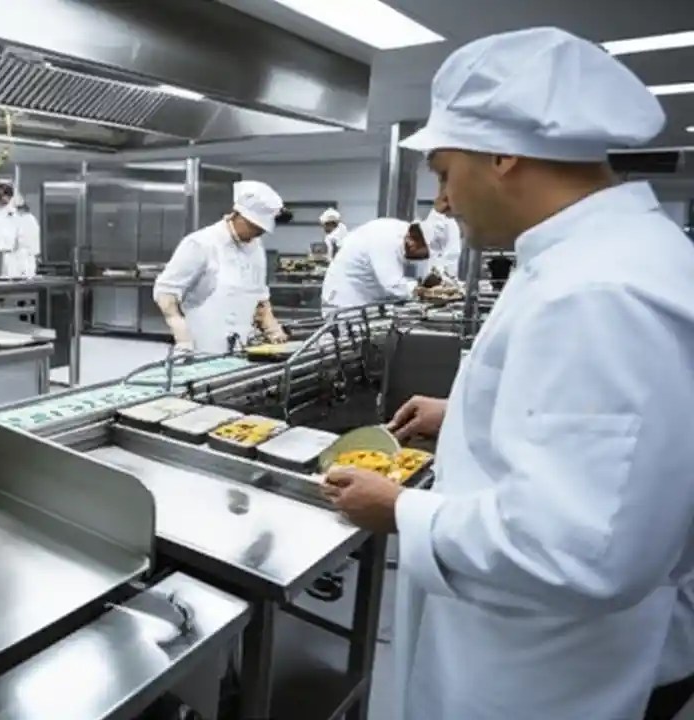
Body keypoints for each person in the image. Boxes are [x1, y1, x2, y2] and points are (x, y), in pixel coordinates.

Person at [320, 27, 694, 720]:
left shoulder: (599, 291)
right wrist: (463, 414)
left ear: (503, 155)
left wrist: (401, 509)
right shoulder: (598, 256)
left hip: (540, 678)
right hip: (546, 651)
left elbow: (576, 549)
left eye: (442, 173)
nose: (448, 202)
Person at [153, 181, 289, 353]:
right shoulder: (200, 243)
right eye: (254, 228)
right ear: (238, 215)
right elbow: (166, 293)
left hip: (243, 346)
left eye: (261, 231)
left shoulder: (256, 247)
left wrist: (272, 328)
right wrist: (182, 335)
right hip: (203, 346)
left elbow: (259, 295)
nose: (256, 234)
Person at [319, 218, 433, 313]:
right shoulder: (386, 240)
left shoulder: (407, 233)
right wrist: (425, 292)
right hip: (346, 300)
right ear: (413, 244)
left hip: (368, 298)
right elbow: (393, 284)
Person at [420, 197, 464, 279]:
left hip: (442, 271)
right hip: (438, 271)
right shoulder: (440, 219)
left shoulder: (449, 221)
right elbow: (429, 238)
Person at [12, 193, 42, 278]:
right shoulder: (32, 220)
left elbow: (19, 239)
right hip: (28, 257)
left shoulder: (25, 220)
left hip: (23, 256)